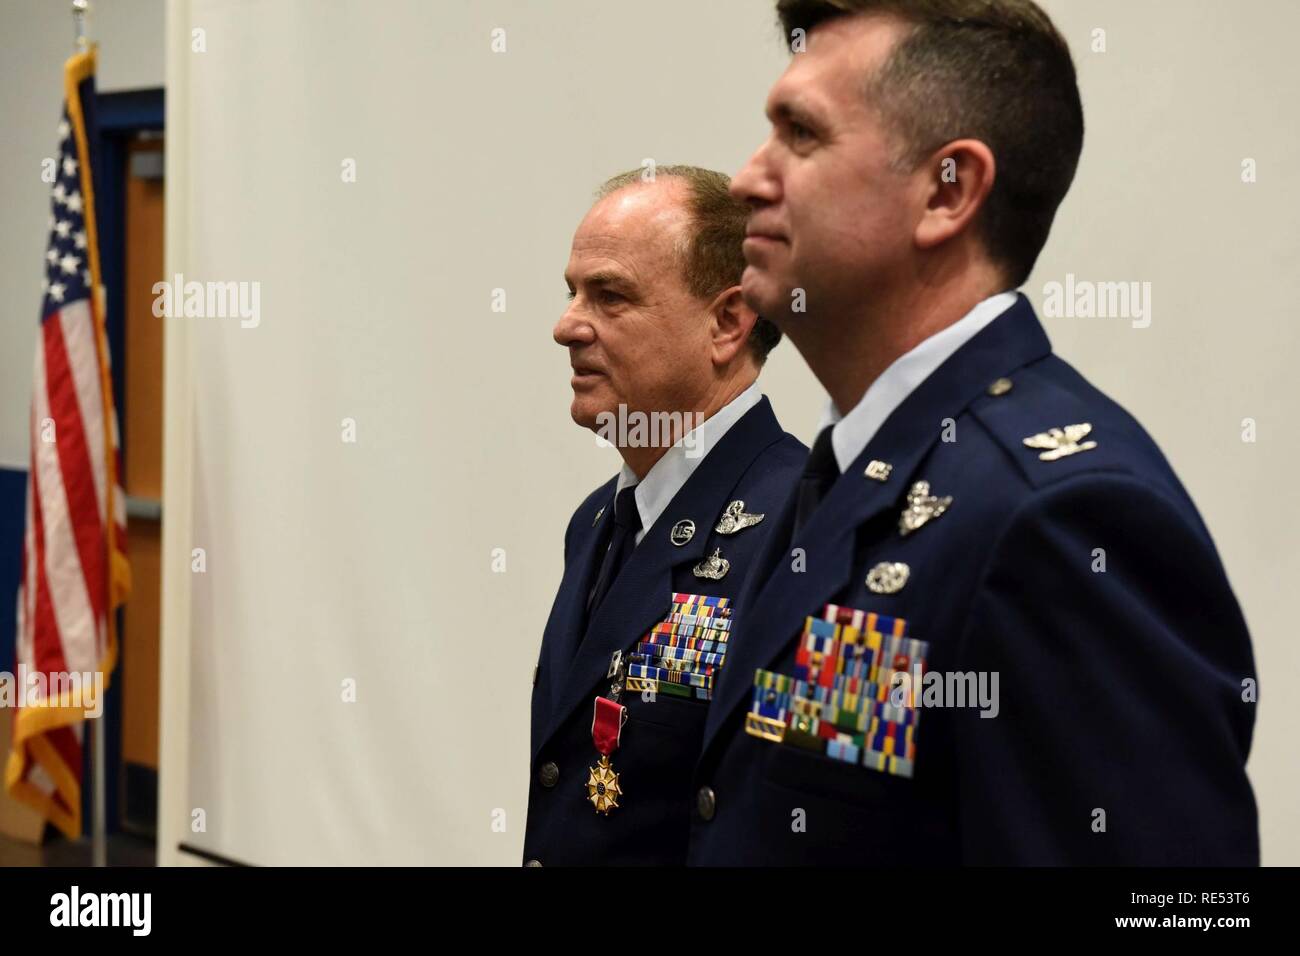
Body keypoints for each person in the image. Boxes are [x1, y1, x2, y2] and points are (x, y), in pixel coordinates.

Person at [686, 0, 1258, 865]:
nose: (745, 180)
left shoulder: (1056, 516)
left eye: (800, 135)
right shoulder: (844, 470)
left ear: (947, 191)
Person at [524, 166, 805, 865]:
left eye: (610, 296)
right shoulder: (597, 521)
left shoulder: (805, 529)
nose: (566, 327)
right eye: (572, 293)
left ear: (727, 323)